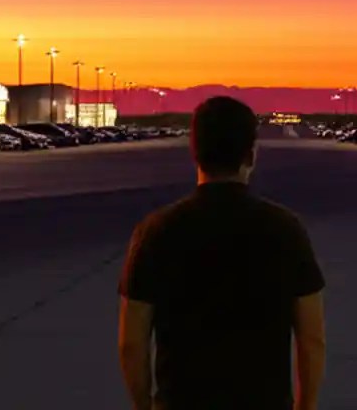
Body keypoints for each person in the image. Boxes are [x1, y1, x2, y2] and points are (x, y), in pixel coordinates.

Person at [118, 96, 326, 410]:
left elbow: (131, 344)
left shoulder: (156, 231)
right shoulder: (286, 229)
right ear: (251, 155)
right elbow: (311, 339)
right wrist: (305, 405)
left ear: (195, 153)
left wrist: (143, 405)